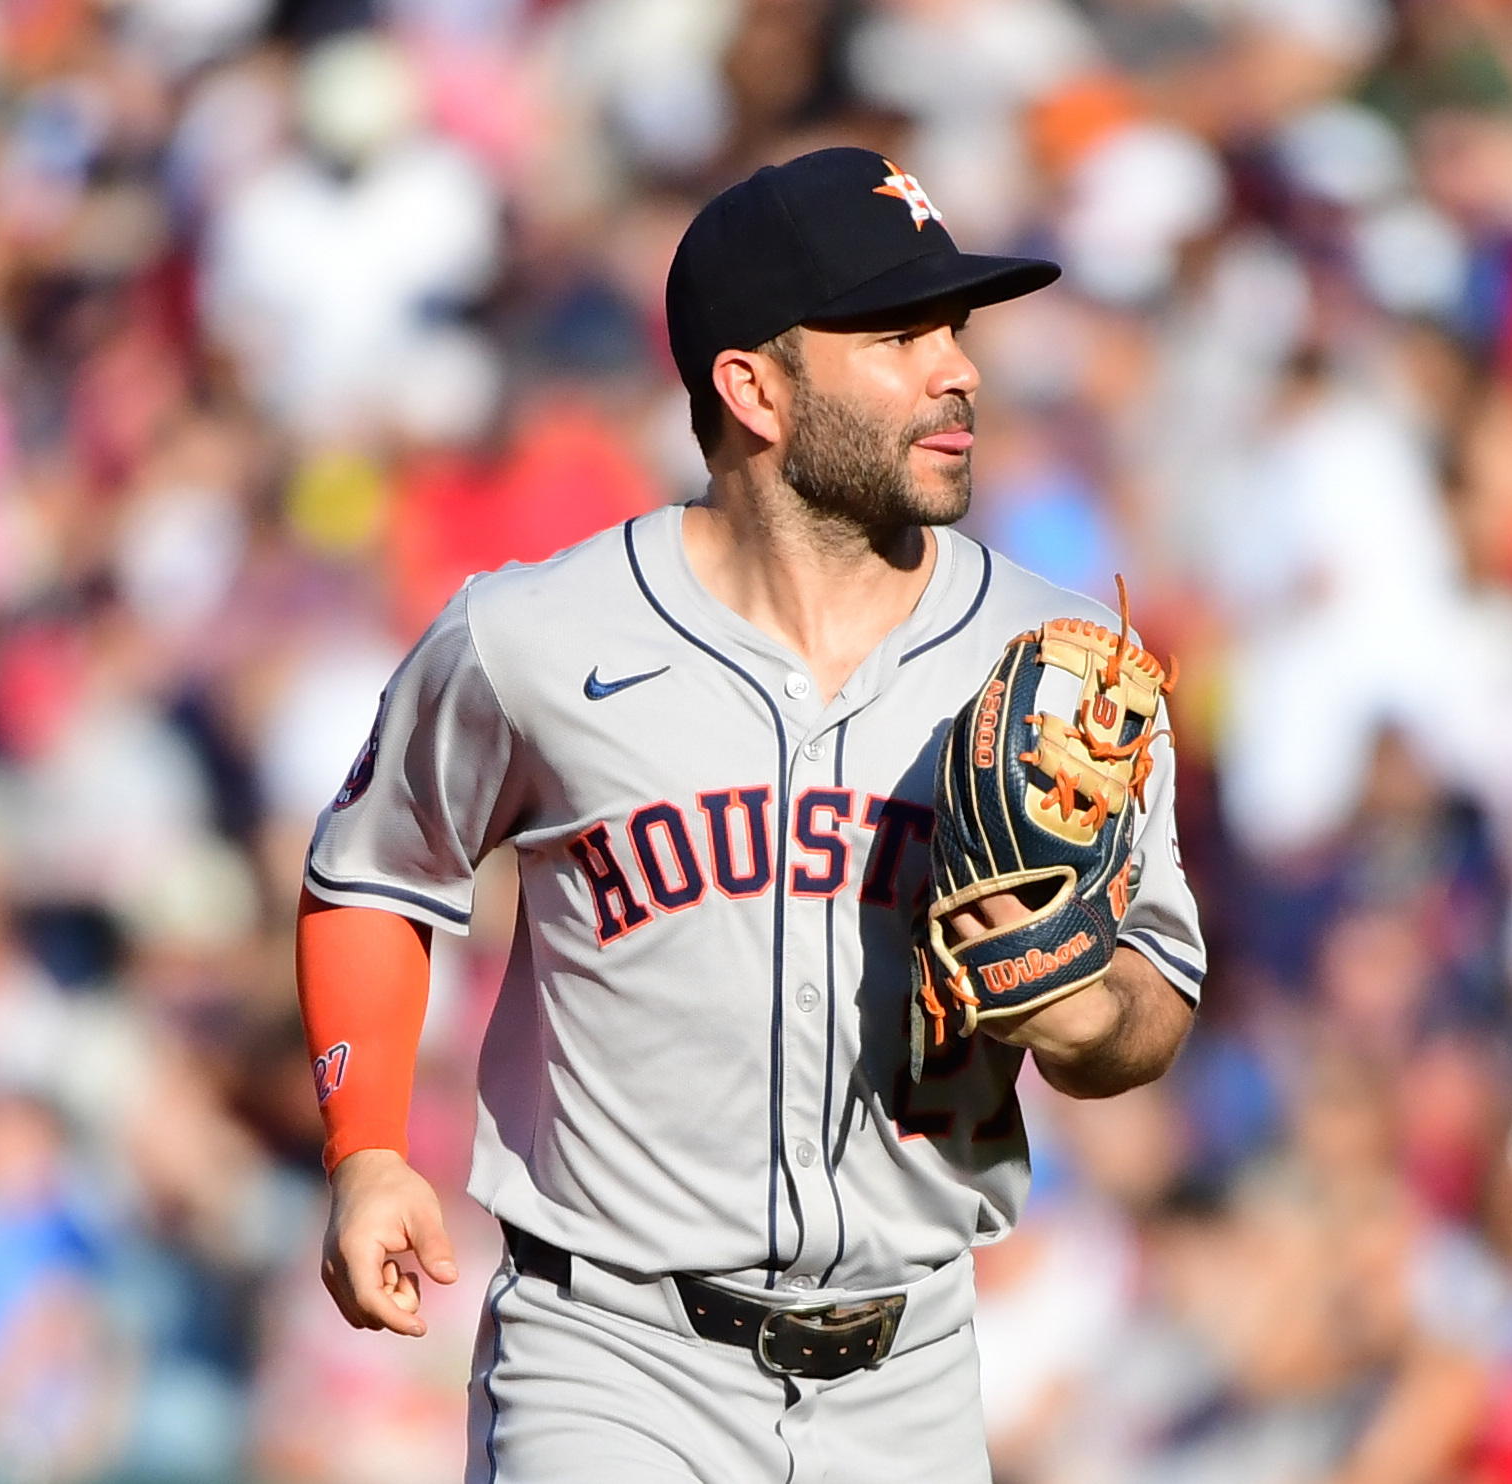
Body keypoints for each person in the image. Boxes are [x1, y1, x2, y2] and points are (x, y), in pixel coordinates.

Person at [294, 146, 1208, 1483]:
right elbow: (376, 875)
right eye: (898, 333)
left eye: (955, 326)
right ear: (752, 387)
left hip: (911, 1370)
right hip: (609, 1356)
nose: (956, 368)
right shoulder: (534, 636)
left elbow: (1157, 987)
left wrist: (1088, 1021)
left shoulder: (1061, 663)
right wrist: (366, 1149)